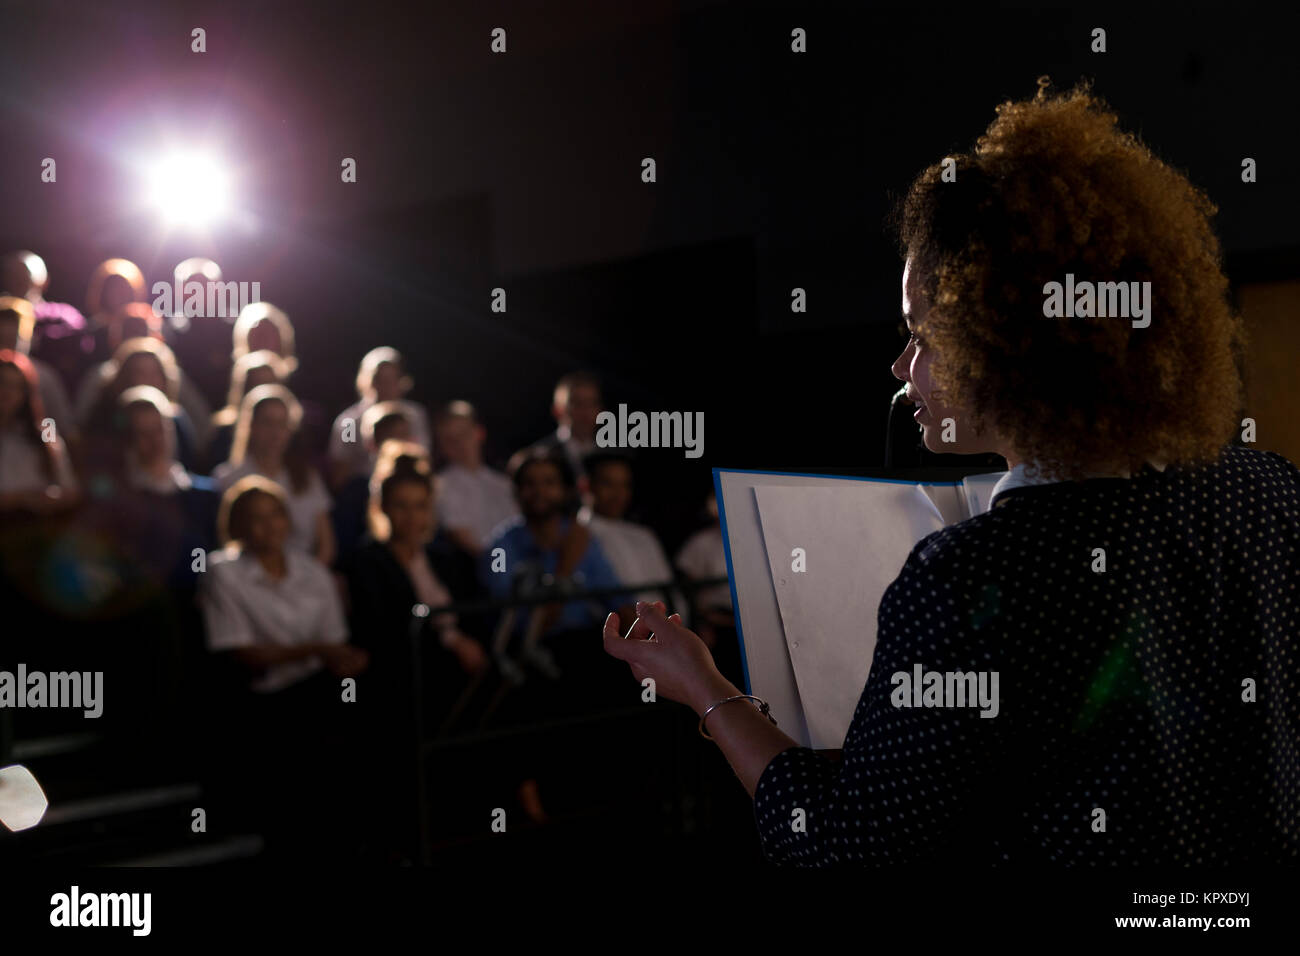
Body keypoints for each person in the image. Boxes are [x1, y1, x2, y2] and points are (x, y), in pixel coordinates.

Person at [602, 80, 1299, 866]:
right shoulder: (1269, 490)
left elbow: (845, 849)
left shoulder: (969, 578)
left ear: (1005, 339)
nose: (903, 367)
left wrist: (703, 686)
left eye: (923, 334)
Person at [198, 475, 369, 859]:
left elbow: (334, 643)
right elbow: (241, 651)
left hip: (317, 686)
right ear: (238, 526)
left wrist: (345, 659)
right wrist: (318, 650)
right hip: (260, 697)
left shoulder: (312, 572)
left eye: (275, 515)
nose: (268, 526)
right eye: (255, 518)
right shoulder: (222, 572)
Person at [213, 384, 335, 565]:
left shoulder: (308, 477)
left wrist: (310, 578)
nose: (275, 433)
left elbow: (326, 544)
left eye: (282, 424)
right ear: (252, 426)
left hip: (304, 576)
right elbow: (225, 540)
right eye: (267, 423)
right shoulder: (226, 478)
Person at [577, 450, 679, 609]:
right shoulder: (574, 537)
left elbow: (669, 591)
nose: (618, 494)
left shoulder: (643, 535)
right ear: (585, 486)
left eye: (624, 485)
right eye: (608, 483)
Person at [328, 347, 431, 488]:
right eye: (379, 379)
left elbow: (423, 457)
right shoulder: (349, 422)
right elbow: (341, 468)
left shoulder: (415, 415)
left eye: (392, 378)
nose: (386, 386)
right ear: (365, 380)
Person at [432, 399, 518, 557]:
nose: (459, 443)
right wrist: (500, 565)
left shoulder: (503, 483)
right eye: (450, 439)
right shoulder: (440, 486)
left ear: (479, 433)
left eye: (464, 434)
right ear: (441, 445)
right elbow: (465, 540)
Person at [0, 349, 78, 515]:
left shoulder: (45, 436)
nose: (7, 393)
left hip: (34, 525)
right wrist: (16, 499)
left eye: (16, 387)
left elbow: (70, 491)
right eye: (2, 383)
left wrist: (46, 499)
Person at [0, 295, 77, 449]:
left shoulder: (44, 377)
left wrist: (45, 447)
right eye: (2, 339)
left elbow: (55, 421)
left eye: (13, 339)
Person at [205, 349, 293, 471]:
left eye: (269, 383)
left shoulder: (299, 474)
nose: (261, 392)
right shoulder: (224, 432)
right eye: (255, 384)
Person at [528, 370, 604, 487]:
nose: (586, 412)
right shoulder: (540, 456)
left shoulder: (611, 456)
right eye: (577, 404)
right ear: (557, 411)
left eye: (592, 403)